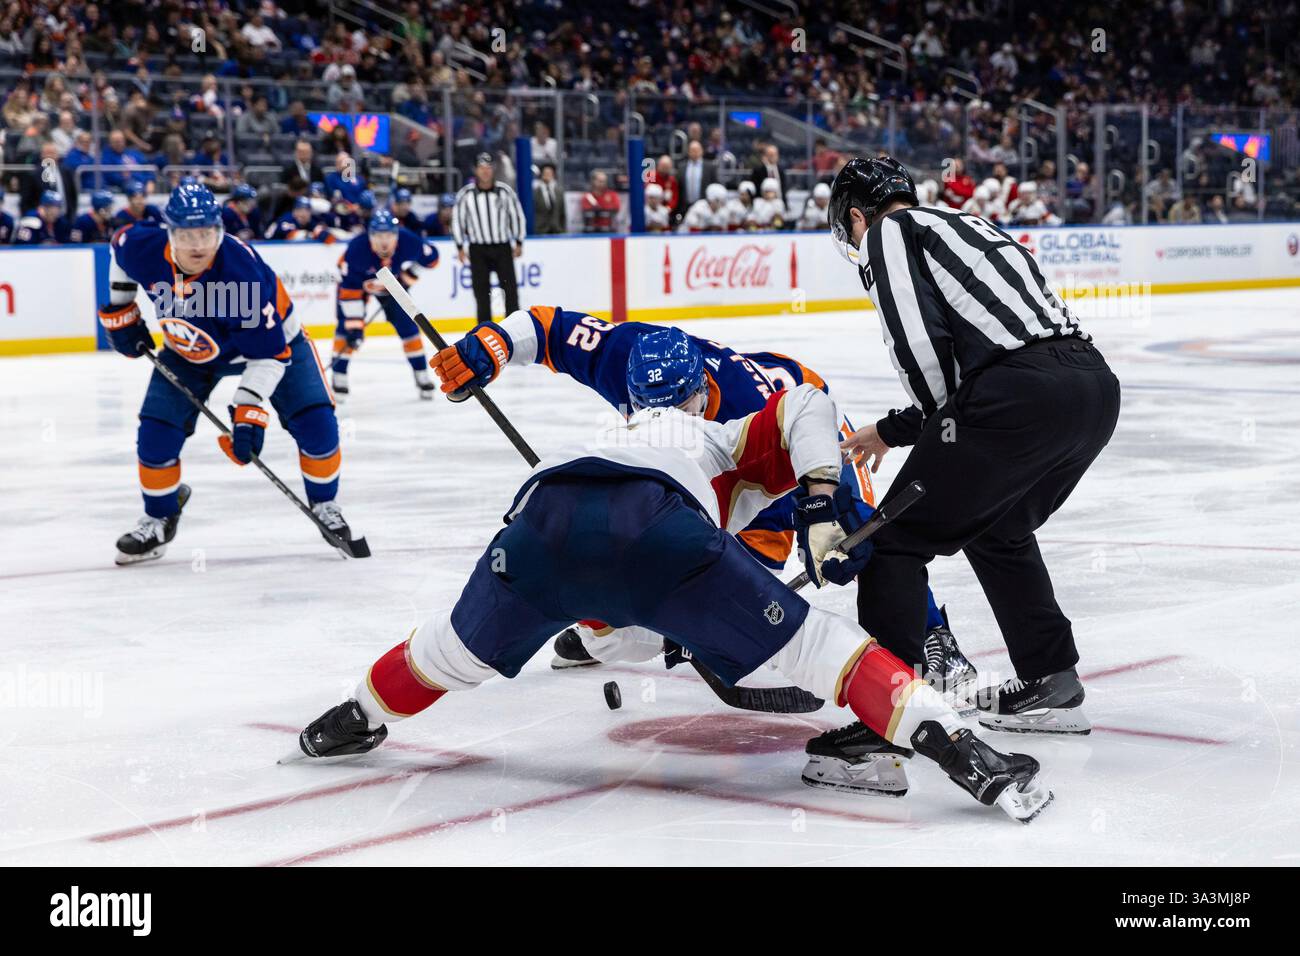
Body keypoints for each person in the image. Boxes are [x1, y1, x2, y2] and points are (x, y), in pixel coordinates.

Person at [293, 345, 1052, 823]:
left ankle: (351, 715)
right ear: (698, 398)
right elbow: (807, 406)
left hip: (538, 527)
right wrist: (821, 504)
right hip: (661, 535)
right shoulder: (718, 431)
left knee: (444, 655)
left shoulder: (602, 431)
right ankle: (964, 754)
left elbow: (551, 330)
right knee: (827, 649)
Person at [829, 155, 1121, 735]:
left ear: (857, 217)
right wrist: (895, 431)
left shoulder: (890, 232)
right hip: (1090, 388)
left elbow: (924, 350)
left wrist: (934, 430)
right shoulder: (966, 223)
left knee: (892, 540)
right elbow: (993, 347)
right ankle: (1050, 681)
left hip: (1020, 395)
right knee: (999, 526)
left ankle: (886, 723)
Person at [97, 182, 356, 564]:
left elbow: (268, 358)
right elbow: (118, 250)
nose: (198, 244)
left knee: (316, 423)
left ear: (220, 230)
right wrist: (121, 310)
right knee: (156, 432)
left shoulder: (240, 276)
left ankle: (325, 504)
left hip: (275, 346)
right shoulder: (142, 246)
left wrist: (247, 413)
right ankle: (159, 517)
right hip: (189, 349)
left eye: (207, 233)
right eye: (187, 234)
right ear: (169, 232)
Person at [331, 209, 440, 401]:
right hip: (357, 286)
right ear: (370, 236)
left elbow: (432, 258)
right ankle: (339, 376)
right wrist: (355, 326)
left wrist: (409, 276)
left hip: (391, 285)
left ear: (397, 234)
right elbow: (350, 290)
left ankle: (422, 375)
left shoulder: (409, 241)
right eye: (379, 236)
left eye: (389, 235)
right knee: (346, 330)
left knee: (408, 327)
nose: (384, 241)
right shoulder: (356, 251)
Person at [451, 152, 526, 325]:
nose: (485, 171)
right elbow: (457, 220)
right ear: (476, 170)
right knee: (481, 292)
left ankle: (514, 328)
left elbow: (517, 216)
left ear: (493, 170)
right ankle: (485, 331)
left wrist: (519, 241)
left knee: (510, 290)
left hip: (502, 247)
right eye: (481, 168)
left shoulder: (504, 191)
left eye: (488, 168)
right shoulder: (466, 194)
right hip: (478, 250)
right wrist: (460, 246)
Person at [265, 196, 335, 242]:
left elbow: (328, 237)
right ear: (294, 211)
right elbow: (292, 236)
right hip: (266, 247)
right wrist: (313, 235)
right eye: (299, 210)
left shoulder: (309, 221)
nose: (302, 214)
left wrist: (321, 233)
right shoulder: (287, 219)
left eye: (306, 210)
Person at [532, 163, 565, 235]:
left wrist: (563, 230)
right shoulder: (535, 193)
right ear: (541, 174)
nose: (547, 175)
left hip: (557, 231)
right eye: (545, 173)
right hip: (540, 231)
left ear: (553, 175)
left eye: (549, 173)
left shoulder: (559, 192)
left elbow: (562, 213)